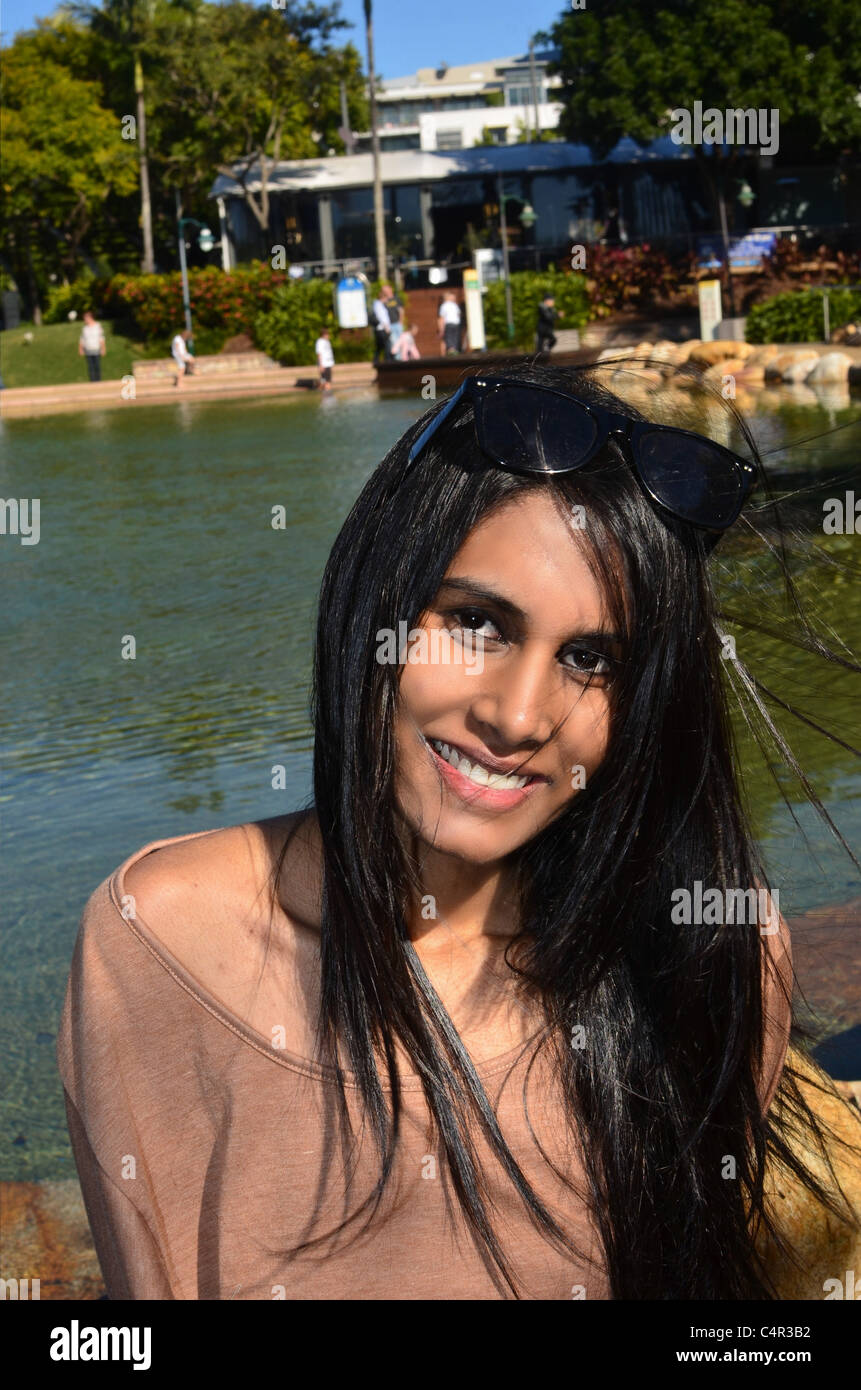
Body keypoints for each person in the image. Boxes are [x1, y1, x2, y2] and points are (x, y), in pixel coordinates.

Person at [58, 362, 860, 1300]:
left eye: (593, 659)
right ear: (377, 605)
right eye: (477, 622)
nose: (520, 718)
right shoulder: (157, 942)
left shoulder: (708, 950)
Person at [78, 311, 106, 382]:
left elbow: (101, 338)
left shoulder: (97, 326)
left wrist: (103, 349)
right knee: (90, 367)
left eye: (85, 318)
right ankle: (92, 382)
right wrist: (81, 349)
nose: (84, 319)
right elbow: (82, 339)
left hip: (96, 349)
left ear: (90, 318)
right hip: (88, 350)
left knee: (97, 366)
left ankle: (98, 381)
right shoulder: (85, 328)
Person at [371, 285, 393, 365]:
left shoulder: (380, 305)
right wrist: (387, 327)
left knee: (380, 346)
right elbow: (381, 317)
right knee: (387, 345)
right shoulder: (378, 305)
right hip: (382, 329)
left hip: (382, 328)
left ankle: (376, 360)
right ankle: (387, 361)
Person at [314, 328, 335, 392]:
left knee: (326, 380)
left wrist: (331, 364)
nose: (328, 336)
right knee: (326, 381)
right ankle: (327, 396)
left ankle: (320, 387)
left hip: (328, 363)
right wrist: (320, 365)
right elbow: (319, 354)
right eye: (327, 334)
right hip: (324, 364)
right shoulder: (320, 342)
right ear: (323, 335)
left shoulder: (327, 341)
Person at [385, 288, 404, 354]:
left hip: (397, 323)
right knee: (393, 342)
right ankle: (397, 359)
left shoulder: (396, 299)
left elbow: (401, 311)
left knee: (400, 341)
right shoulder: (385, 301)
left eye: (386, 291)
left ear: (391, 290)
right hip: (389, 325)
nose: (385, 292)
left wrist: (400, 322)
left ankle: (403, 357)